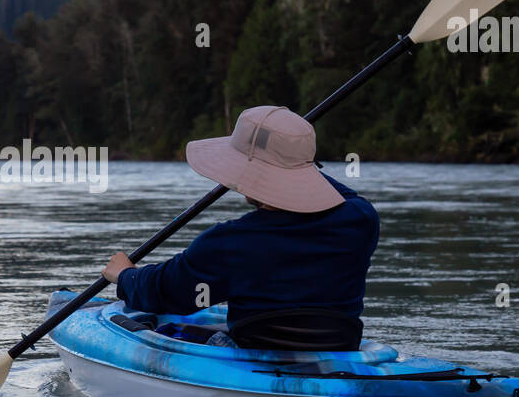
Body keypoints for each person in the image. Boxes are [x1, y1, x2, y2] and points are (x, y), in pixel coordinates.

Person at [101, 105, 379, 350]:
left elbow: (170, 293)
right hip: (339, 347)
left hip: (251, 351)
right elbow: (345, 197)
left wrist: (126, 275)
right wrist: (295, 162)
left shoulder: (229, 241)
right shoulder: (361, 220)